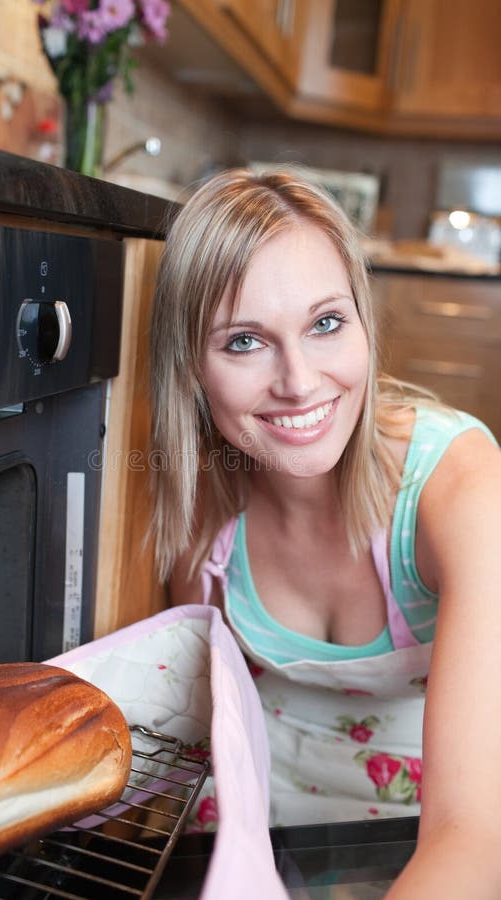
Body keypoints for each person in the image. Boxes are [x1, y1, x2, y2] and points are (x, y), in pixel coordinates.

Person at [148, 167, 501, 898]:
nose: (301, 382)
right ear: (192, 368)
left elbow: (473, 833)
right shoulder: (202, 512)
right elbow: (214, 729)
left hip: (435, 822)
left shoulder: (462, 487)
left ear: (365, 325)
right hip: (258, 815)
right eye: (245, 341)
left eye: (326, 323)